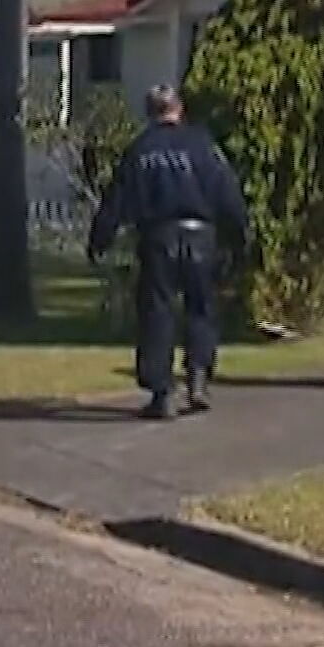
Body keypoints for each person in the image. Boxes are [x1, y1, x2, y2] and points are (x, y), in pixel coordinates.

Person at [88, 84, 251, 420]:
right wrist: (239, 235)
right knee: (201, 308)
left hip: (157, 237)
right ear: (179, 108)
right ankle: (198, 379)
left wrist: (100, 238)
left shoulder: (140, 150)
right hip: (201, 236)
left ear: (150, 112)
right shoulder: (202, 144)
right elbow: (227, 192)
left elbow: (117, 200)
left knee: (157, 311)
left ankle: (161, 392)